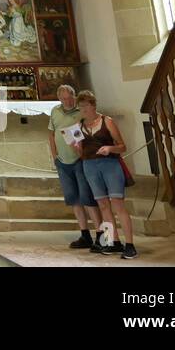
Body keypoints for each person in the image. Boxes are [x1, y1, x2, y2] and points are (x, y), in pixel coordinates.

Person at [74, 89, 137, 259]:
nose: (83, 110)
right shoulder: (78, 127)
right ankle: (112, 241)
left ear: (93, 105)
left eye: (86, 106)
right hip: (90, 166)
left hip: (110, 165)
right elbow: (81, 154)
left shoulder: (106, 121)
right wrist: (78, 149)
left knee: (117, 204)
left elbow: (122, 146)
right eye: (80, 107)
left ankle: (130, 244)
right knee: (102, 205)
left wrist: (110, 148)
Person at [47, 85, 100, 249]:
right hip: (62, 161)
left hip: (80, 160)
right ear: (59, 99)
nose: (67, 101)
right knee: (74, 198)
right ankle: (85, 234)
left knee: (87, 198)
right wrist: (54, 155)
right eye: (63, 98)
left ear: (74, 96)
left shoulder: (81, 111)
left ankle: (101, 234)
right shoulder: (55, 111)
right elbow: (51, 133)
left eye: (69, 98)